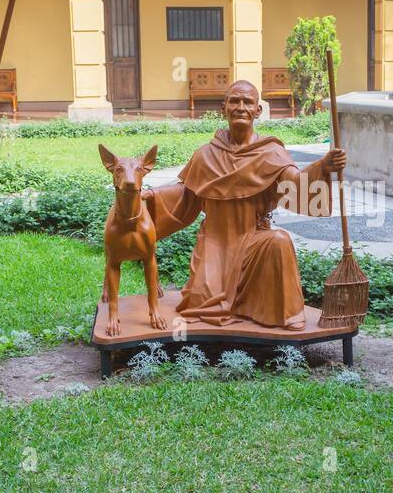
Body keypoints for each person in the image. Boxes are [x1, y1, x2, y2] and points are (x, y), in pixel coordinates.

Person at [145, 80, 346, 329]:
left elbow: (294, 186)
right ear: (223, 108)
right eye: (234, 101)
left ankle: (286, 314)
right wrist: (152, 196)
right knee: (202, 302)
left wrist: (322, 167)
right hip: (215, 243)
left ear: (258, 110)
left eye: (248, 102)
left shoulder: (271, 153)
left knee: (279, 240)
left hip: (253, 239)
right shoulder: (205, 155)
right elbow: (185, 196)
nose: (241, 107)